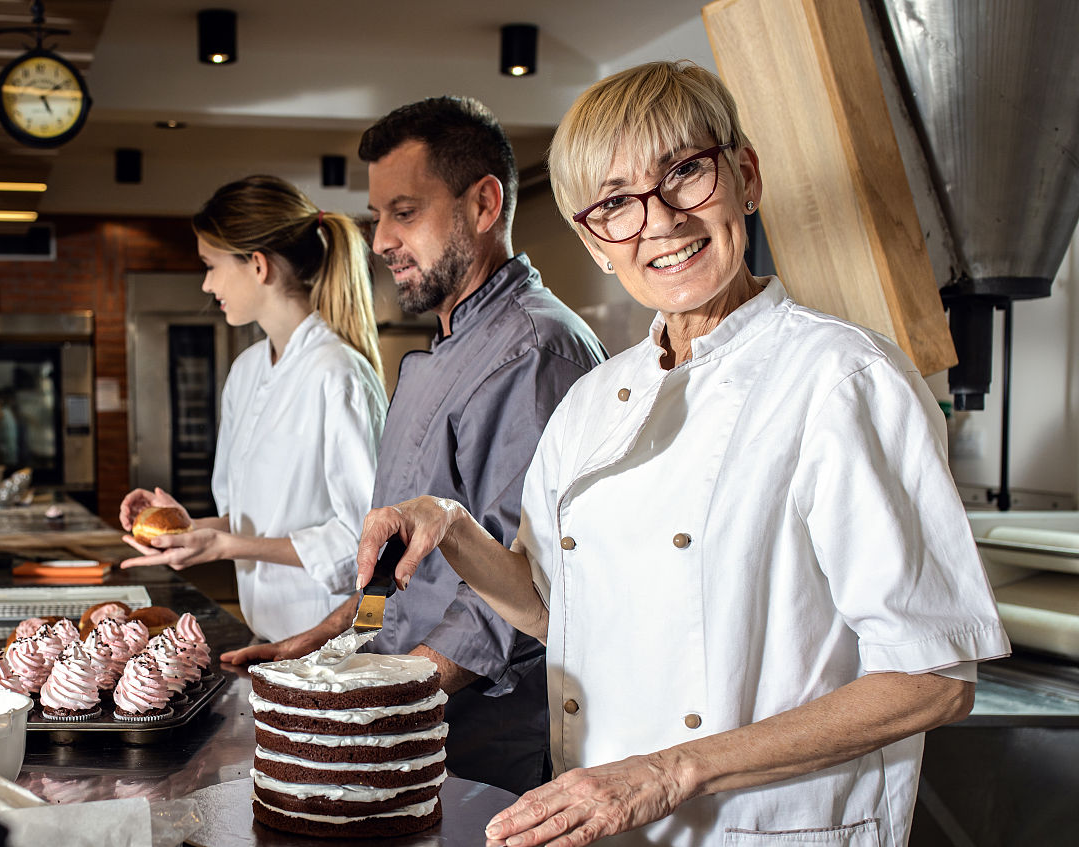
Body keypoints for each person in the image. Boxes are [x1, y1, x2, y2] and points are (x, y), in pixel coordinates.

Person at [353, 62, 1010, 847]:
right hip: (605, 826)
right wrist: (453, 524)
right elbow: (554, 609)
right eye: (616, 205)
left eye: (686, 173)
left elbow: (932, 679)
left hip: (765, 829)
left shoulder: (843, 378)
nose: (659, 222)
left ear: (745, 177)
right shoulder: (592, 403)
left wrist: (667, 771)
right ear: (596, 243)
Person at [222, 96, 607, 795]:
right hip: (406, 727)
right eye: (377, 219)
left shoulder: (535, 352)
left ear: (484, 204)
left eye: (404, 212)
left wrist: (374, 699)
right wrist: (321, 641)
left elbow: (525, 595)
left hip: (476, 746)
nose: (379, 241)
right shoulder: (452, 345)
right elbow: (399, 575)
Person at [118, 175, 387, 644]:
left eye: (211, 266)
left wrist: (225, 545)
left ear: (257, 265)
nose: (206, 283)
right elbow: (257, 519)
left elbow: (365, 542)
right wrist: (185, 529)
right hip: (266, 634)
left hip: (331, 645)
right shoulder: (246, 371)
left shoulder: (337, 373)